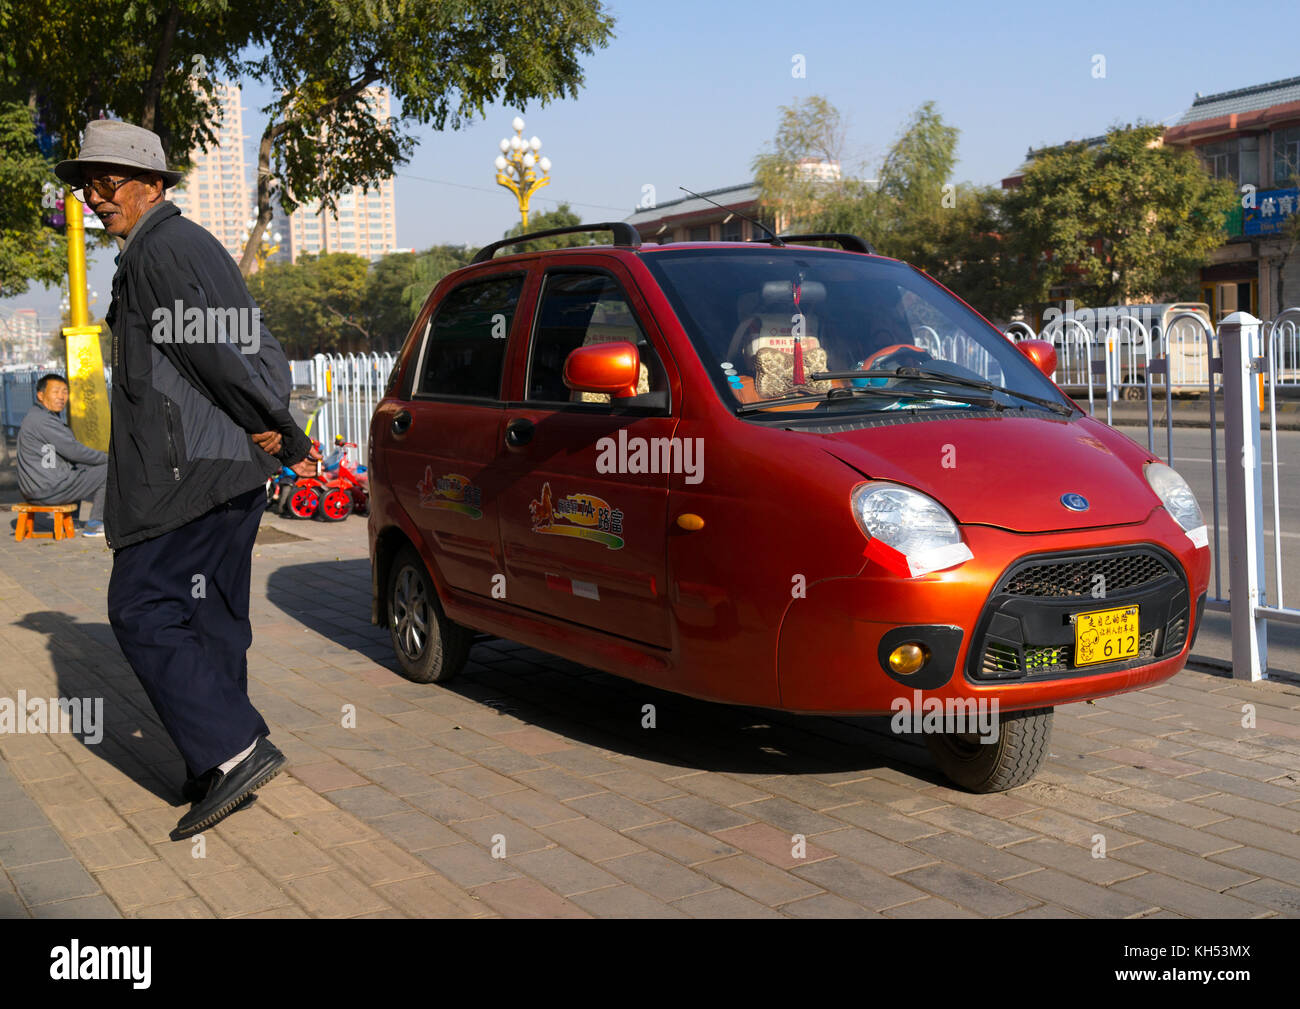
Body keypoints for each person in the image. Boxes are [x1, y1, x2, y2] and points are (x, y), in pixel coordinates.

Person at [55, 119, 321, 840]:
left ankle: (235, 751)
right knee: (210, 618)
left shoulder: (161, 251)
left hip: (185, 473)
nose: (94, 196)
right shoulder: (187, 245)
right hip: (225, 464)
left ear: (150, 185)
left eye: (108, 182)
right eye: (85, 183)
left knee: (140, 606)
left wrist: (281, 428)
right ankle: (215, 763)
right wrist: (270, 429)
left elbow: (217, 353)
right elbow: (253, 341)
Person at [15, 374, 109, 537]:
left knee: (79, 467)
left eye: (65, 392)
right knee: (108, 470)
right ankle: (95, 525)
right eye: (56, 391)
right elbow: (75, 451)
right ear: (41, 395)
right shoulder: (43, 420)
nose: (61, 397)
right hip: (47, 489)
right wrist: (109, 458)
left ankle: (72, 521)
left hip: (38, 487)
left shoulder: (38, 416)